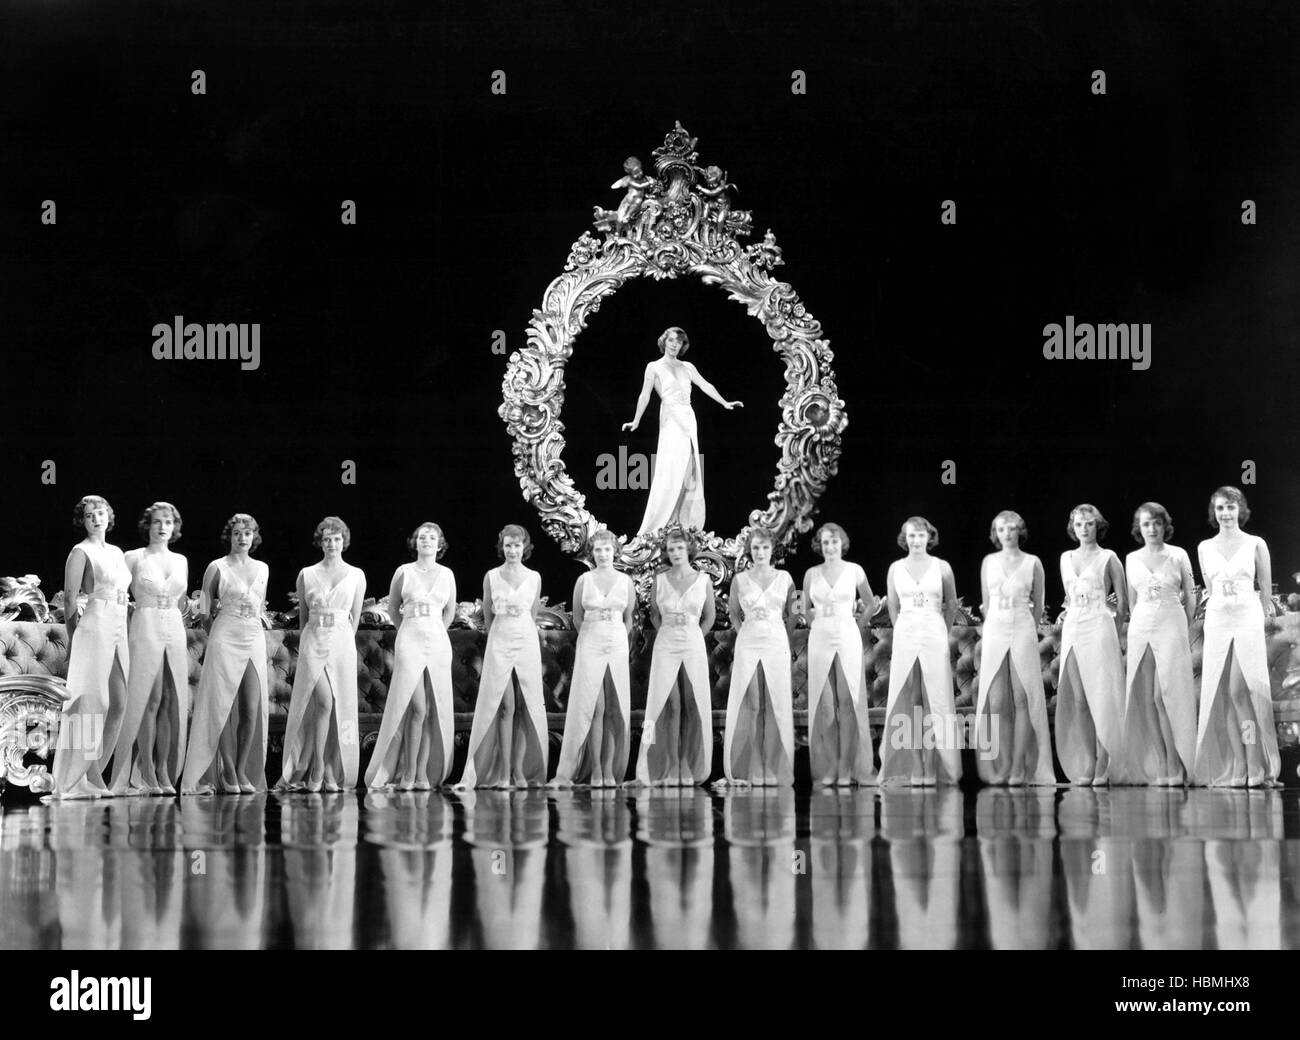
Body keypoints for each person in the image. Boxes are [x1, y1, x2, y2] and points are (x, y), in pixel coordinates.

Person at [1193, 486, 1280, 787]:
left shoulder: (1256, 543)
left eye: (1230, 507)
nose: (1225, 513)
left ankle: (1256, 765)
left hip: (1247, 618)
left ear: (1240, 510)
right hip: (1218, 620)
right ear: (1213, 512)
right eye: (1220, 508)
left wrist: (1262, 617)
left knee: (1241, 692)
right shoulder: (1204, 547)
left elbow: (1266, 588)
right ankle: (1238, 767)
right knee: (1225, 696)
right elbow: (1209, 586)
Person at [622, 327, 742, 536]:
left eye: (679, 341)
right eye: (671, 340)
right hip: (670, 418)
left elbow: (705, 385)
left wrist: (724, 402)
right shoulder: (654, 366)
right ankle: (657, 524)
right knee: (671, 467)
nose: (675, 344)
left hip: (688, 417)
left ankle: (682, 523)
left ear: (682, 345)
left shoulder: (687, 366)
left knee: (689, 467)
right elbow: (645, 395)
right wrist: (636, 420)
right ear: (664, 342)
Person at [182, 513, 270, 794]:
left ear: (253, 536)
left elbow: (261, 608)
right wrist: (219, 633)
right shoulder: (216, 567)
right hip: (224, 636)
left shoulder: (263, 568)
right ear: (229, 537)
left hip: (254, 637)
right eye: (237, 533)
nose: (242, 538)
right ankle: (229, 771)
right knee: (223, 707)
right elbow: (205, 612)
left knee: (251, 708)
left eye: (247, 533)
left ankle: (243, 769)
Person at [49, 495, 131, 799]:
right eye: (88, 515)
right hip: (94, 625)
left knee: (119, 702)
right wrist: (75, 638)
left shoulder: (118, 552)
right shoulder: (79, 552)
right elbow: (70, 598)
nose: (96, 519)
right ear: (82, 521)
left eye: (100, 513)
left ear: (109, 516)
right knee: (92, 703)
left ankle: (93, 772)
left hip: (119, 625)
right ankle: (78, 779)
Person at [365, 523, 457, 791]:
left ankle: (422, 774)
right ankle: (407, 771)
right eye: (422, 537)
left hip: (438, 644)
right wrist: (408, 629)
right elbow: (393, 608)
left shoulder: (447, 574)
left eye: (432, 537)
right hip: (410, 640)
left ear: (440, 544)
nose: (427, 541)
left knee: (430, 710)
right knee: (417, 708)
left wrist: (436, 629)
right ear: (415, 542)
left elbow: (449, 611)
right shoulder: (403, 572)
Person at [456, 524, 548, 788]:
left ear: (525, 547)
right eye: (508, 545)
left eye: (517, 545)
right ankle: (503, 772)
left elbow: (532, 615)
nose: (512, 550)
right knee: (506, 706)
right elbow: (488, 616)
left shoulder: (534, 577)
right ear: (502, 547)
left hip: (526, 641)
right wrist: (497, 638)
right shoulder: (491, 576)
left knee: (525, 707)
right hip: (500, 640)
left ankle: (520, 770)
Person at [277, 517, 366, 792]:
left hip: (341, 643)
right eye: (327, 539)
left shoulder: (356, 574)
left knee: (338, 708)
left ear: (344, 541)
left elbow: (355, 618)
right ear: (320, 542)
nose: (332, 544)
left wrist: (341, 641)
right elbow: (303, 618)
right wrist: (309, 645)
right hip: (313, 641)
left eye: (337, 539)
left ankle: (329, 769)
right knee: (324, 703)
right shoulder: (307, 573)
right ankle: (315, 766)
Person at [110, 502, 190, 795]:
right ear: (148, 525)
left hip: (174, 628)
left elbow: (185, 602)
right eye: (156, 521)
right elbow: (117, 591)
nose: (162, 526)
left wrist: (208, 612)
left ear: (174, 526)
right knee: (150, 698)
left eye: (167, 521)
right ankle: (145, 771)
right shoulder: (133, 557)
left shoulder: (181, 560)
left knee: (170, 700)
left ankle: (163, 771)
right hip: (145, 626)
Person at [973, 510, 1055, 785]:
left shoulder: (1033, 562)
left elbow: (1040, 604)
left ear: (1020, 530)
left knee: (1022, 699)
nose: (1006, 534)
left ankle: (1019, 766)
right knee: (996, 702)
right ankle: (1005, 762)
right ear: (995, 533)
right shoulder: (988, 562)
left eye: (1011, 528)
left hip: (1022, 626)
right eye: (1001, 529)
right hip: (995, 628)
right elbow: (985, 603)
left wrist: (1025, 627)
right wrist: (995, 625)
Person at [880, 517, 961, 786]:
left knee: (933, 699)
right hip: (906, 633)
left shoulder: (942, 567)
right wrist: (901, 628)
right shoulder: (895, 568)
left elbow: (951, 604)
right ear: (905, 538)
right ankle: (916, 765)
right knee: (912, 700)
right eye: (911, 536)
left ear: (929, 537)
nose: (916, 540)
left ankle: (935, 765)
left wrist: (941, 629)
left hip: (934, 632)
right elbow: (892, 606)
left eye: (921, 535)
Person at [1120, 502, 1198, 785]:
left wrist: (1183, 625)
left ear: (1165, 525)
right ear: (1138, 529)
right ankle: (1162, 764)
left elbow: (1191, 593)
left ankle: (1176, 763)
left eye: (1156, 523)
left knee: (1164, 696)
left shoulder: (1178, 555)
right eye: (1145, 524)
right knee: (1147, 698)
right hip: (1142, 627)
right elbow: (1131, 601)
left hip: (1171, 623)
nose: (1152, 529)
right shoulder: (1130, 558)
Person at [552, 529, 635, 787]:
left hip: (617, 642)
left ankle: (610, 770)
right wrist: (590, 633)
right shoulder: (583, 580)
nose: (602, 554)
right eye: (598, 550)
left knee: (613, 708)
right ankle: (596, 770)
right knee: (595, 708)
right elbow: (577, 617)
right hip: (590, 642)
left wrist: (618, 636)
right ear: (592, 553)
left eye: (607, 549)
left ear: (614, 552)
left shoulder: (625, 581)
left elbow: (629, 618)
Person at [633, 529, 716, 786]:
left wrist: (694, 635)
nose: (676, 553)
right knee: (668, 705)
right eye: (671, 549)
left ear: (688, 549)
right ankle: (666, 765)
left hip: (693, 643)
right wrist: (666, 632)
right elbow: (654, 614)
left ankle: (688, 765)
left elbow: (709, 616)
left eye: (680, 548)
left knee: (693, 704)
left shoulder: (703, 580)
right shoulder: (660, 580)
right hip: (666, 645)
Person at [1055, 504, 1127, 786]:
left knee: (1099, 698)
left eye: (1089, 524)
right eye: (1079, 524)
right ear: (1072, 527)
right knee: (1079, 699)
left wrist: (1111, 631)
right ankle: (1086, 760)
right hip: (1074, 628)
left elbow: (1122, 603)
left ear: (1098, 526)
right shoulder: (1065, 558)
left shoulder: (1109, 557)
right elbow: (1069, 599)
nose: (1084, 529)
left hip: (1099, 627)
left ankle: (1102, 760)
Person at [802, 522, 877, 786]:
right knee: (825, 708)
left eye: (834, 542)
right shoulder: (811, 573)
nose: (830, 547)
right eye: (825, 543)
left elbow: (871, 603)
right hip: (820, 636)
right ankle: (829, 768)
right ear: (819, 546)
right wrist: (815, 622)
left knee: (846, 705)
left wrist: (856, 625)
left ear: (841, 543)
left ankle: (847, 769)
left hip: (847, 635)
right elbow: (802, 606)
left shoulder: (854, 570)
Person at [721, 527, 796, 786]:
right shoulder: (739, 580)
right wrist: (744, 631)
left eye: (764, 547)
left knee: (773, 704)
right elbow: (732, 612)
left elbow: (795, 609)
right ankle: (753, 767)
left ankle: (772, 766)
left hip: (776, 642)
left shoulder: (786, 578)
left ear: (772, 549)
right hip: (748, 642)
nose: (760, 552)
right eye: (755, 548)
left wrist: (783, 633)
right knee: (752, 704)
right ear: (750, 551)